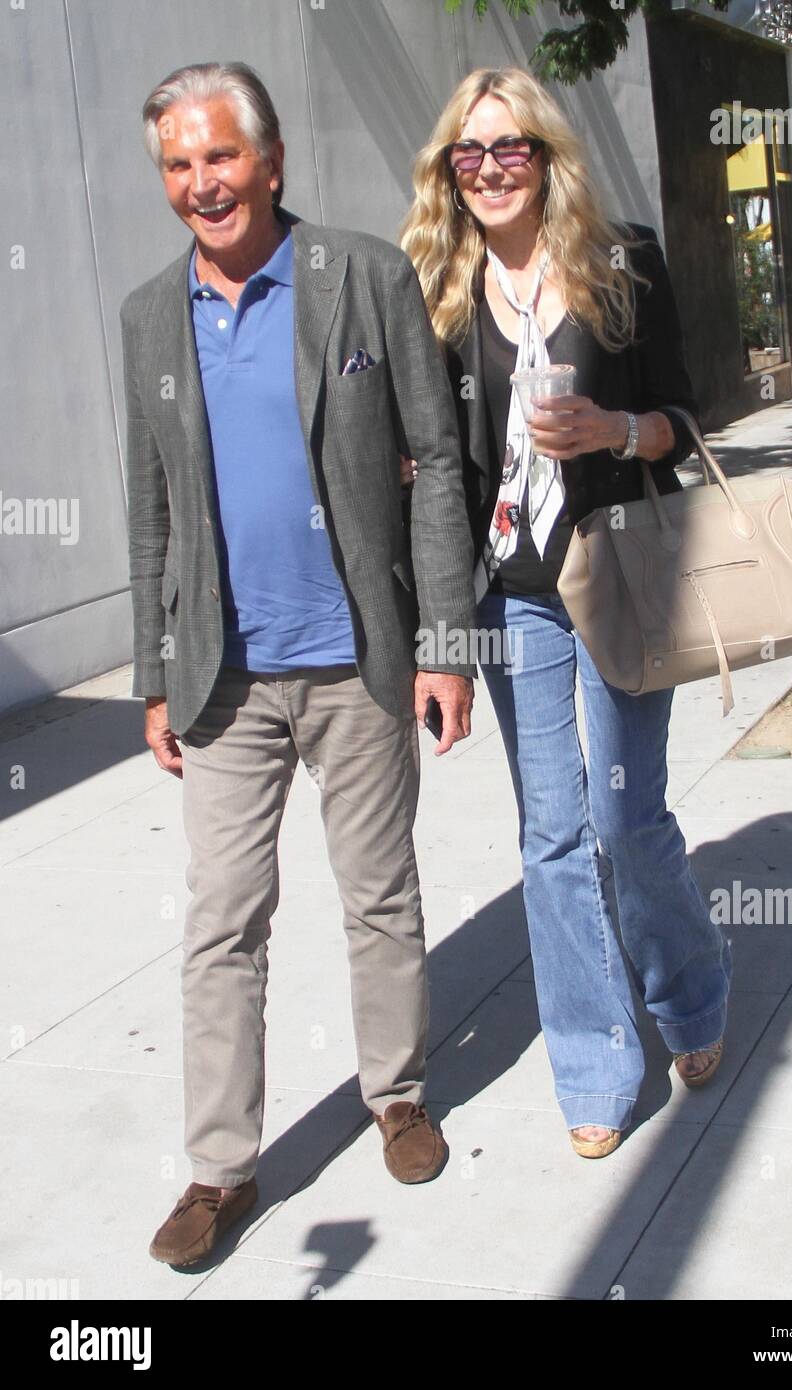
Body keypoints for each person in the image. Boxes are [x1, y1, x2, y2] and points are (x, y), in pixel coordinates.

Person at [122, 61, 476, 1265]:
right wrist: (154, 674)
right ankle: (219, 1169)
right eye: (178, 164)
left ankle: (397, 1095)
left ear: (269, 161)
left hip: (356, 658)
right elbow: (149, 511)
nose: (201, 183)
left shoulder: (363, 277)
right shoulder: (149, 315)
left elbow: (436, 460)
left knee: (378, 892)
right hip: (222, 678)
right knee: (222, 919)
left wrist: (443, 643)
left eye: (220, 156)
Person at [401, 67, 731, 1159]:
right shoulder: (439, 289)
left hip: (622, 568)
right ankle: (594, 1062)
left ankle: (689, 992)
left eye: (512, 148)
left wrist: (614, 431)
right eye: (470, 152)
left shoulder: (621, 261)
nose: (491, 169)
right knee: (550, 832)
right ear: (450, 171)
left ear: (546, 158)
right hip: (515, 592)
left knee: (626, 818)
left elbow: (682, 415)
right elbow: (434, 470)